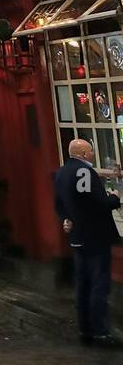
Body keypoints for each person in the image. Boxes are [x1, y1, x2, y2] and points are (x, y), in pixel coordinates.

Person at [54, 138, 122, 345]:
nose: (92, 154)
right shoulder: (85, 172)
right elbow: (97, 203)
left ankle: (86, 330)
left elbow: (59, 203)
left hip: (77, 237)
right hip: (96, 235)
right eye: (90, 151)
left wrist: (66, 219)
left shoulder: (61, 173)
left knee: (82, 284)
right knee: (99, 284)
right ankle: (101, 332)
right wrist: (114, 197)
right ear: (83, 154)